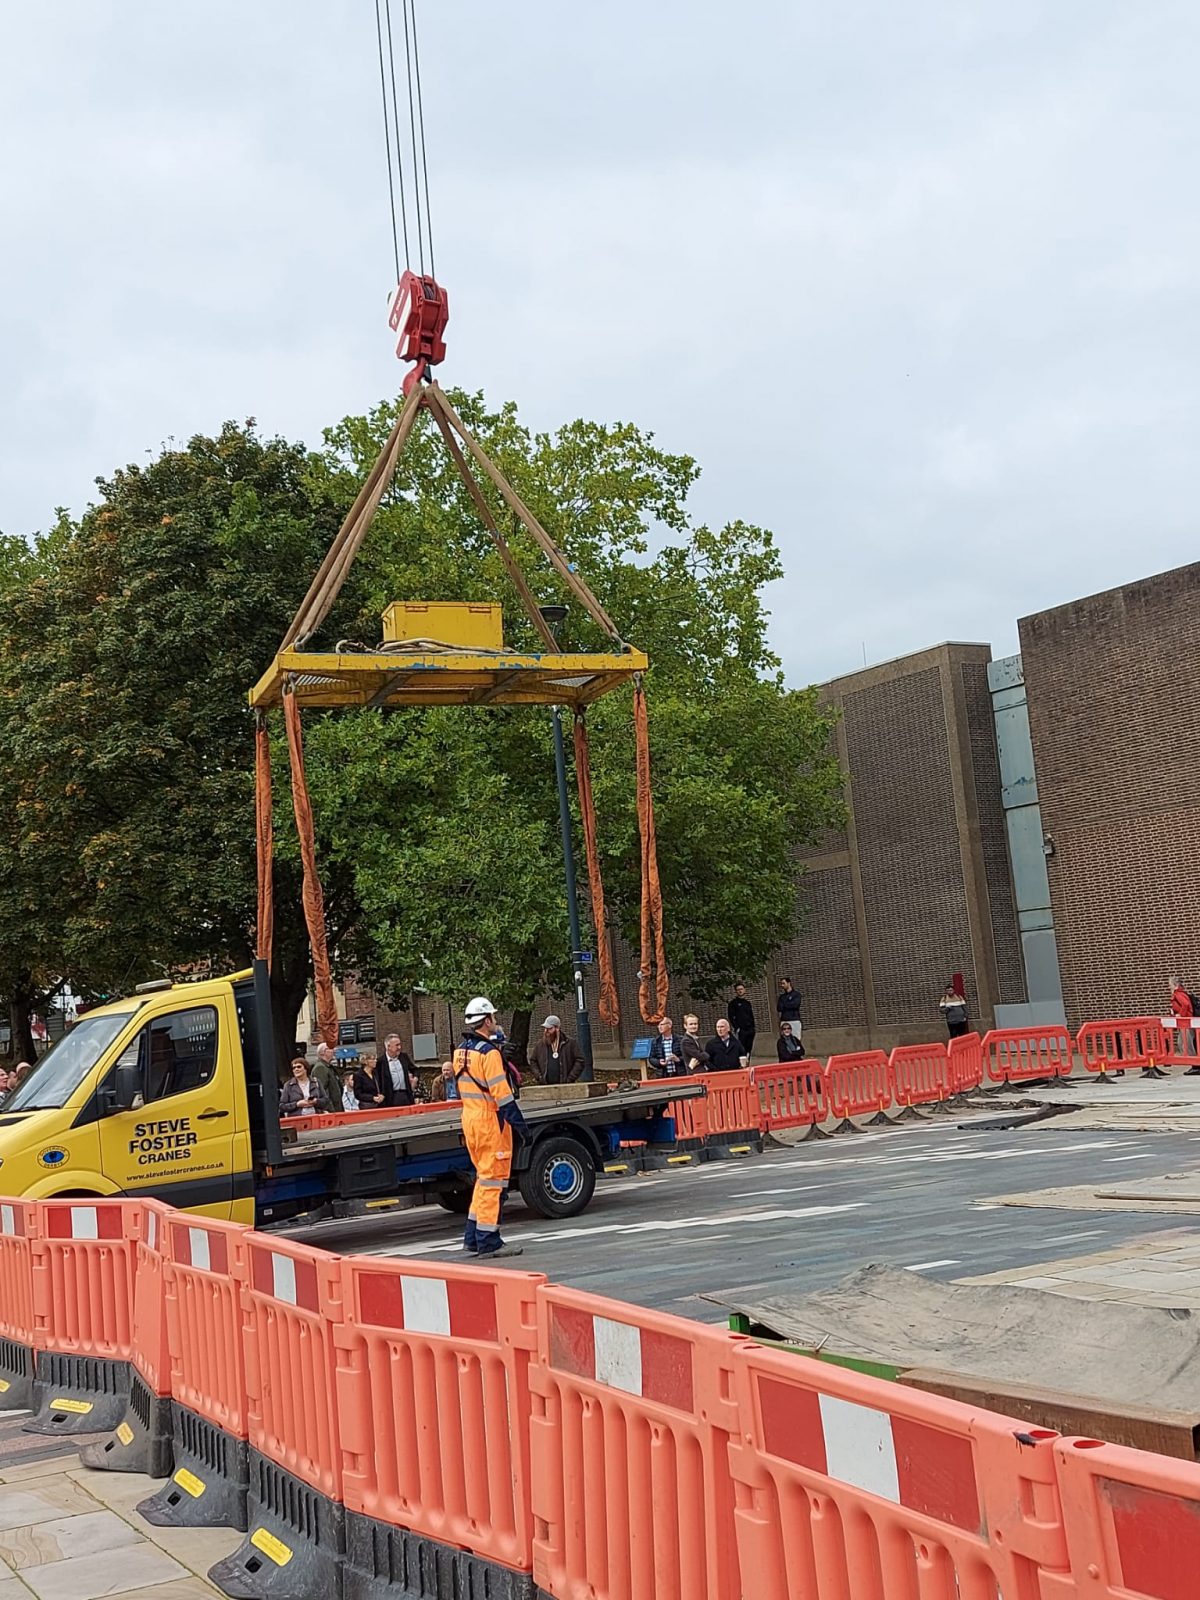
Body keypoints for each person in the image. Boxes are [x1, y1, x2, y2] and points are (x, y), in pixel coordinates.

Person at [453, 996, 526, 1257]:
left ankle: (473, 1238)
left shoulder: (461, 1051)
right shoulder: (489, 1054)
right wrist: (521, 1127)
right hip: (490, 1122)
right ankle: (488, 1241)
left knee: (484, 1181)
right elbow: (502, 1096)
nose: (495, 1020)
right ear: (486, 1020)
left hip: (470, 1120)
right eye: (493, 1017)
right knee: (493, 1182)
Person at [528, 1016, 585, 1085]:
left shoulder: (570, 1043)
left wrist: (570, 1078)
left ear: (557, 1028)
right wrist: (539, 1077)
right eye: (545, 1028)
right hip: (546, 1086)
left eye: (550, 1028)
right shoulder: (540, 1045)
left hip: (565, 1086)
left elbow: (580, 1060)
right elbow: (533, 1061)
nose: (546, 1031)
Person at [376, 1033, 418, 1106]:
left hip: (406, 1095)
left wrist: (415, 1079)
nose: (399, 1047)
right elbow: (378, 1080)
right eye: (397, 1045)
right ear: (388, 1047)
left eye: (400, 1045)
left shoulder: (404, 1057)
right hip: (391, 1097)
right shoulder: (380, 1062)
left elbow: (415, 1070)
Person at [1170, 977, 1198, 1070]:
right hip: (1186, 1021)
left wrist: (1181, 1015)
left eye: (1170, 985)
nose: (1169, 987)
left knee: (1186, 1043)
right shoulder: (1181, 993)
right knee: (1183, 1042)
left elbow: (1185, 1004)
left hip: (1185, 1022)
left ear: (1175, 985)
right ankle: (1194, 1063)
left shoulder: (1178, 994)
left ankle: (1195, 1064)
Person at [728, 984, 756, 1061]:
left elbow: (751, 1015)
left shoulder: (747, 1003)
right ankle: (741, 1063)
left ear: (744, 990)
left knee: (749, 1048)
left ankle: (747, 1062)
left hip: (750, 1029)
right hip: (741, 1030)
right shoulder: (733, 1004)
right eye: (738, 989)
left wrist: (753, 1027)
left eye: (741, 989)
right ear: (736, 991)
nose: (740, 991)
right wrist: (737, 1027)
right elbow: (731, 1017)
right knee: (741, 1048)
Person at [310, 1041, 342, 1107]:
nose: (334, 1050)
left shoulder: (328, 1067)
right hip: (331, 1109)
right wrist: (329, 1109)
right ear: (322, 1053)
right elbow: (322, 1091)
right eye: (331, 1048)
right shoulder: (320, 1068)